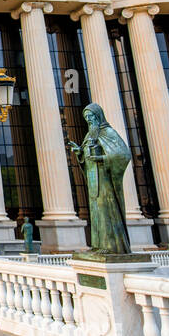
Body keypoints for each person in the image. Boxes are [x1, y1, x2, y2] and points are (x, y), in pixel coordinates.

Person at [67, 102, 132, 256]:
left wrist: (101, 158)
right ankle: (98, 244)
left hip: (104, 179)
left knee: (105, 208)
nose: (89, 120)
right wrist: (80, 152)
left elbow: (123, 155)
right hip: (93, 178)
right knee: (96, 210)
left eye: (90, 116)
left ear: (98, 116)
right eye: (86, 117)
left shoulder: (108, 132)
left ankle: (111, 245)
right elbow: (86, 154)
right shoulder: (91, 134)